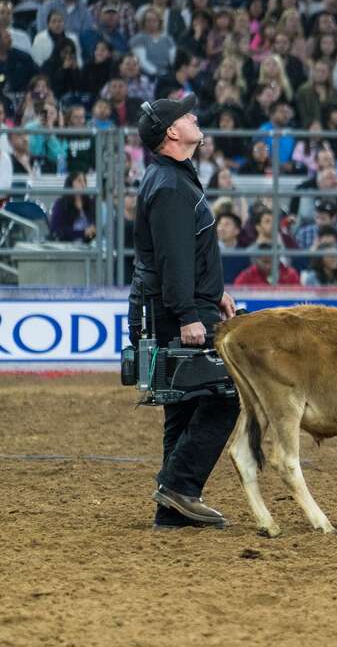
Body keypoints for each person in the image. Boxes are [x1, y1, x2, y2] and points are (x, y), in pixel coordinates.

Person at [129, 94, 239, 530]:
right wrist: (192, 313)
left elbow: (184, 256)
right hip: (179, 314)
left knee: (185, 405)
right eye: (186, 115)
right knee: (226, 394)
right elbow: (174, 261)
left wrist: (215, 294)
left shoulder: (170, 180)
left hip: (176, 307)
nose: (195, 116)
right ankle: (179, 486)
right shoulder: (172, 185)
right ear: (172, 132)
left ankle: (171, 508)